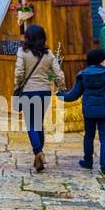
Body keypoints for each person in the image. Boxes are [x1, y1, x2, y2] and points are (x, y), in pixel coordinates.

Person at [14, 24, 65, 173]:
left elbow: (18, 73)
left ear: (27, 37)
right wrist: (62, 88)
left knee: (31, 124)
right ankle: (39, 152)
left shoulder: (22, 52)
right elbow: (58, 74)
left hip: (28, 92)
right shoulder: (48, 54)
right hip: (44, 92)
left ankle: (38, 152)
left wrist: (18, 85)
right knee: (39, 122)